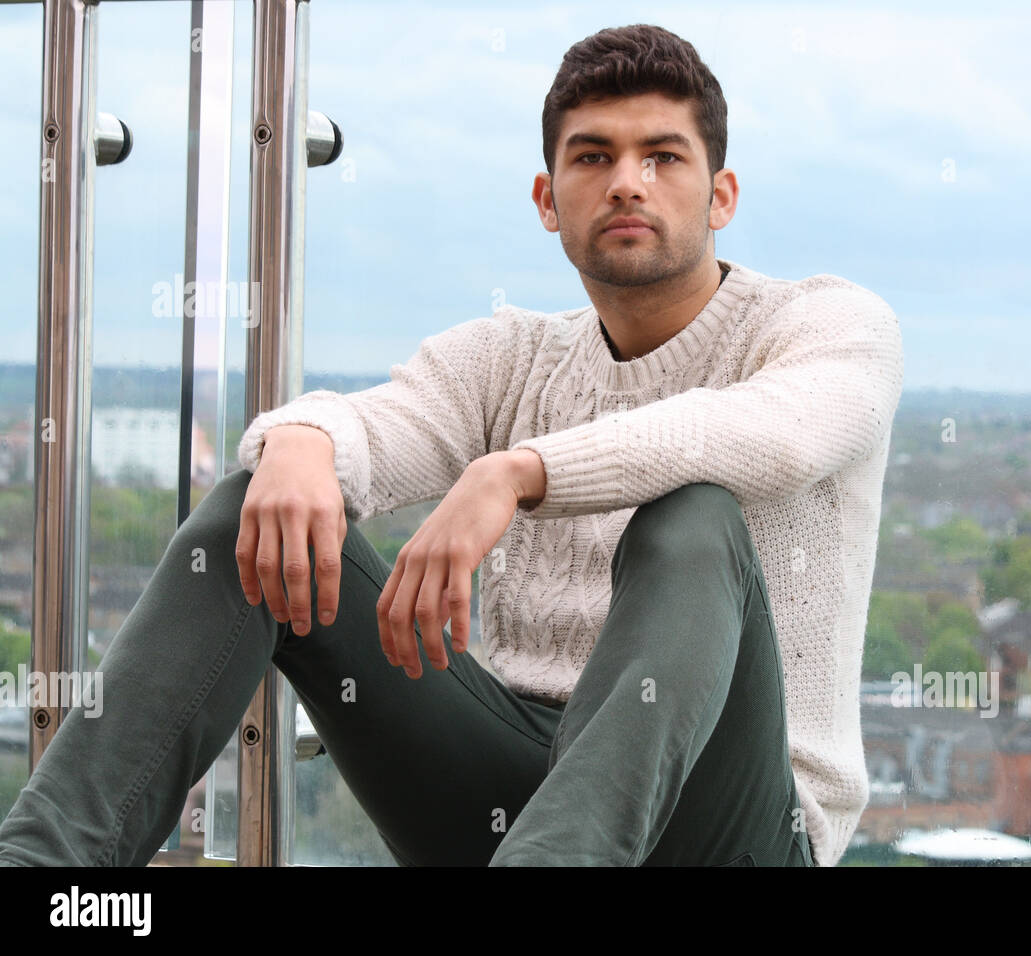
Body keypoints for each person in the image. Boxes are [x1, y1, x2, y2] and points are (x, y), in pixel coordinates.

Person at [0, 22, 903, 867]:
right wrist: (306, 440)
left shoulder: (829, 326)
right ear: (550, 201)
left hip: (733, 819)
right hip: (509, 795)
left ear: (721, 195)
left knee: (694, 513)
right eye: (595, 157)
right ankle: (44, 867)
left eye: (663, 156)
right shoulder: (511, 357)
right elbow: (379, 425)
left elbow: (768, 433)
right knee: (255, 510)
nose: (629, 181)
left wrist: (521, 473)